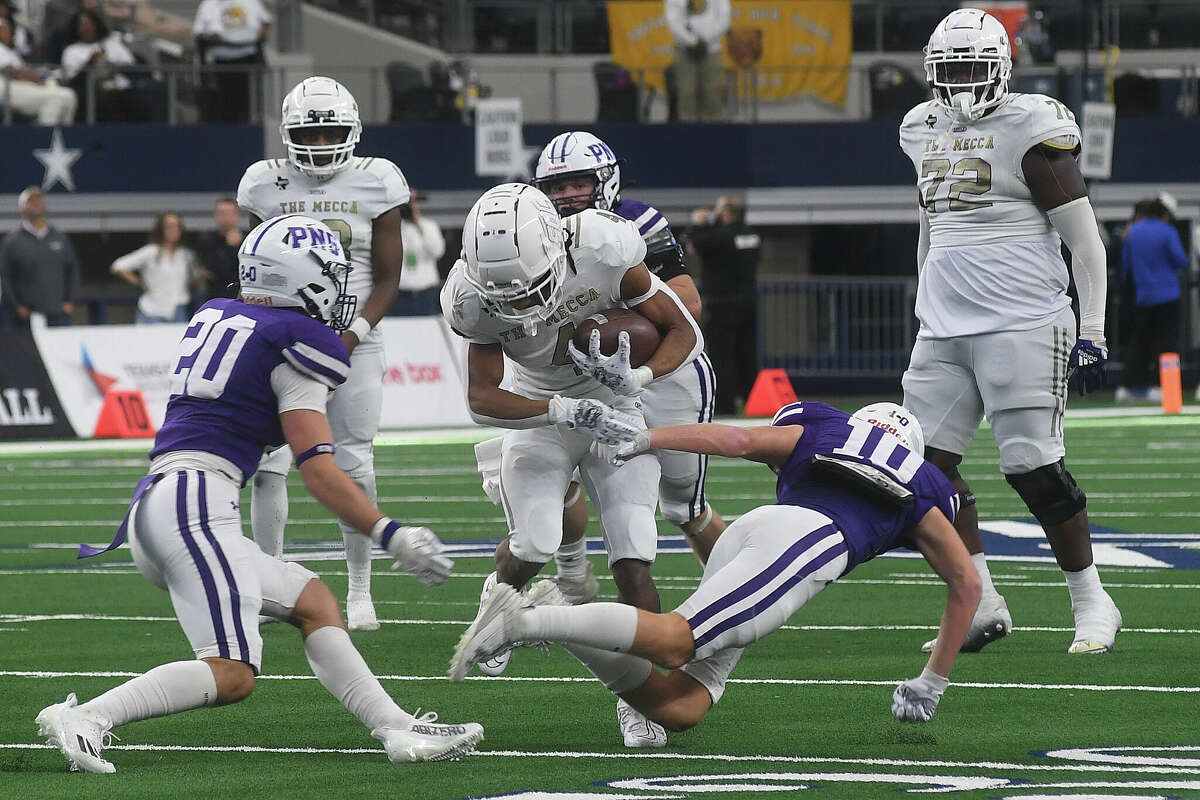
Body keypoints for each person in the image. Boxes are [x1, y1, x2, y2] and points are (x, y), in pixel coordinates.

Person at [35, 216, 482, 774]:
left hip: (166, 501)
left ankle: (397, 730)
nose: (340, 288)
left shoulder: (219, 314)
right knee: (232, 673)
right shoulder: (298, 342)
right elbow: (318, 470)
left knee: (314, 602)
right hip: (196, 506)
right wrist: (391, 534)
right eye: (332, 275)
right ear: (303, 278)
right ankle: (86, 717)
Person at [450, 401, 981, 735]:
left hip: (747, 532)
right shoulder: (924, 481)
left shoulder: (824, 425)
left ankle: (553, 614)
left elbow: (738, 441)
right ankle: (524, 621)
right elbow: (965, 582)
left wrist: (650, 438)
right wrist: (932, 680)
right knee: (674, 640)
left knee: (682, 706)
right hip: (804, 542)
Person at [442, 182, 701, 739]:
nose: (521, 308)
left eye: (531, 289)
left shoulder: (604, 247)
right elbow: (483, 398)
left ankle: (640, 694)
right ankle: (498, 592)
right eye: (504, 298)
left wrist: (639, 376)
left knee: (634, 553)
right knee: (533, 543)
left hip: (615, 406)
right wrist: (559, 408)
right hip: (546, 412)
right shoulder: (470, 299)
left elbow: (686, 328)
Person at [898, 8, 1120, 655]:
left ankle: (1091, 601)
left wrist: (1094, 329)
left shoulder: (1031, 124)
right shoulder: (920, 127)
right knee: (917, 471)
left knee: (1033, 467)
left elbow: (1086, 241)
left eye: (974, 68)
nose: (963, 83)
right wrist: (923, 305)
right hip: (943, 325)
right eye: (952, 71)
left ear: (1002, 70)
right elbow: (930, 225)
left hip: (1024, 320)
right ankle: (981, 599)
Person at [528, 131, 725, 746]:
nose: (567, 195)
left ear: (605, 181)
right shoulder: (527, 233)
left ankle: (732, 605)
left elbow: (686, 299)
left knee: (684, 508)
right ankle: (570, 569)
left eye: (578, 182)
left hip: (665, 376)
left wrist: (622, 331)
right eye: (556, 185)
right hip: (582, 384)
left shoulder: (636, 223)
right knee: (556, 476)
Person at [238, 76, 406, 632]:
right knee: (268, 463)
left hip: (353, 334)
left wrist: (351, 334)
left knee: (353, 461)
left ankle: (360, 588)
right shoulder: (264, 184)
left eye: (331, 129)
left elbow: (387, 277)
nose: (321, 141)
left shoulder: (377, 180)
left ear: (353, 129)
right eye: (310, 131)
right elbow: (252, 269)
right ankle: (266, 584)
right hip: (282, 337)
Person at [687, 195, 761, 415]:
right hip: (748, 302)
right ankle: (752, 399)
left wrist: (699, 223)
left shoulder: (720, 237)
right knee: (747, 352)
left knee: (721, 355)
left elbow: (694, 245)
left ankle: (725, 404)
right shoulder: (753, 236)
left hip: (721, 303)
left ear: (725, 213)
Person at [1116, 196, 1188, 403]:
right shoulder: (1168, 232)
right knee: (1167, 343)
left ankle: (1127, 387)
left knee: (1139, 343)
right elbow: (1181, 260)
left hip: (1144, 297)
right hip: (1168, 296)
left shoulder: (1133, 232)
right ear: (1163, 214)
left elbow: (1126, 265)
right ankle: (1164, 388)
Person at [0, 186, 78, 327]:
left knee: (58, 348)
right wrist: (16, 305)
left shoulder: (60, 238)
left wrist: (70, 300)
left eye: (39, 199)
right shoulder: (11, 242)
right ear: (22, 208)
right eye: (31, 201)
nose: (36, 203)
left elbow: (72, 269)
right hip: (25, 316)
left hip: (57, 313)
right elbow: (5, 277)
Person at [111, 211, 200, 323]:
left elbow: (196, 274)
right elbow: (118, 266)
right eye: (169, 227)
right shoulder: (151, 251)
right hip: (152, 310)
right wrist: (139, 283)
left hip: (178, 310)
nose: (174, 230)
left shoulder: (186, 254)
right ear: (161, 229)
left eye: (177, 226)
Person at [193, 0, 270, 124]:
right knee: (225, 103)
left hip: (248, 60)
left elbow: (266, 21)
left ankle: (250, 123)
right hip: (221, 63)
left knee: (248, 102)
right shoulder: (208, 4)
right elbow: (198, 33)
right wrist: (211, 37)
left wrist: (261, 37)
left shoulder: (250, 2)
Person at [0, 15, 77, 124]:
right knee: (55, 99)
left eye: (8, 29)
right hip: (7, 89)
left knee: (69, 96)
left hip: (20, 86)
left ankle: (65, 136)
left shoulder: (10, 51)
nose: (9, 33)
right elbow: (14, 72)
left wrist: (39, 77)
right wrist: (37, 79)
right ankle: (45, 136)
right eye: (4, 30)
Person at [663, 0, 730, 122]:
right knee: (686, 94)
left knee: (713, 94)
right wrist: (693, 41)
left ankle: (715, 133)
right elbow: (672, 21)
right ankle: (688, 134)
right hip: (684, 51)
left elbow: (724, 19)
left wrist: (706, 40)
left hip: (712, 50)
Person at [391, 189, 445, 316]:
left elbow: (437, 251)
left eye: (413, 202)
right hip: (399, 296)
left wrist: (418, 224)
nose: (410, 207)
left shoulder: (429, 226)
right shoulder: (393, 228)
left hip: (425, 295)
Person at [194, 197, 245, 303]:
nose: (226, 217)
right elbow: (215, 271)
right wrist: (230, 247)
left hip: (241, 298)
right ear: (217, 215)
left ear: (236, 215)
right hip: (216, 298)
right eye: (222, 213)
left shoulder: (248, 241)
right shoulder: (208, 242)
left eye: (229, 213)